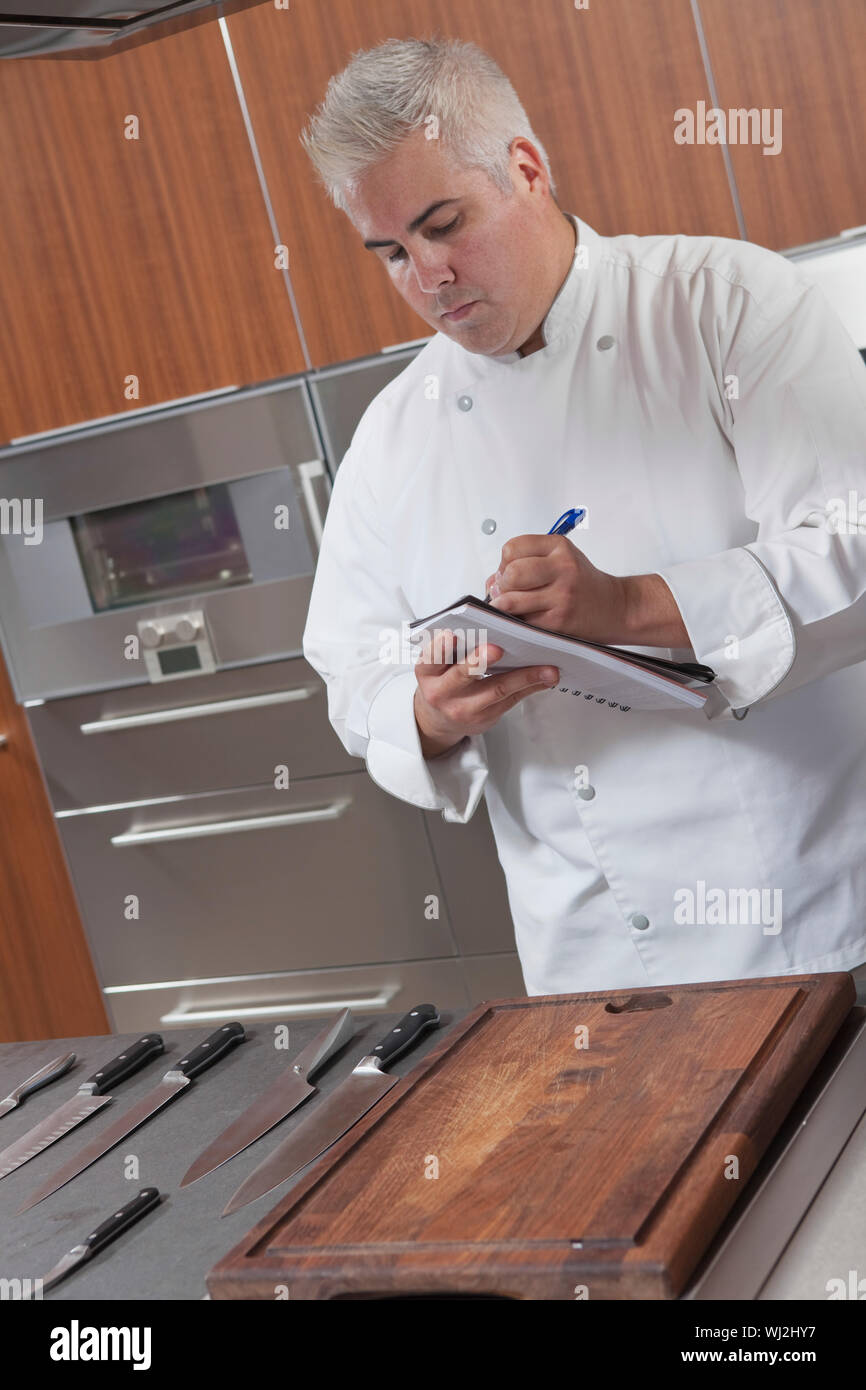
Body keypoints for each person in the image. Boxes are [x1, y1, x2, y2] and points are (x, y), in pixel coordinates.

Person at [300, 36, 866, 997]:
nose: (426, 278)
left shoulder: (722, 303)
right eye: (391, 251)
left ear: (525, 168)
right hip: (587, 964)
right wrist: (428, 712)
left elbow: (853, 542)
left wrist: (630, 605)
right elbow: (352, 670)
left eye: (445, 224)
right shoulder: (394, 433)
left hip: (807, 923)